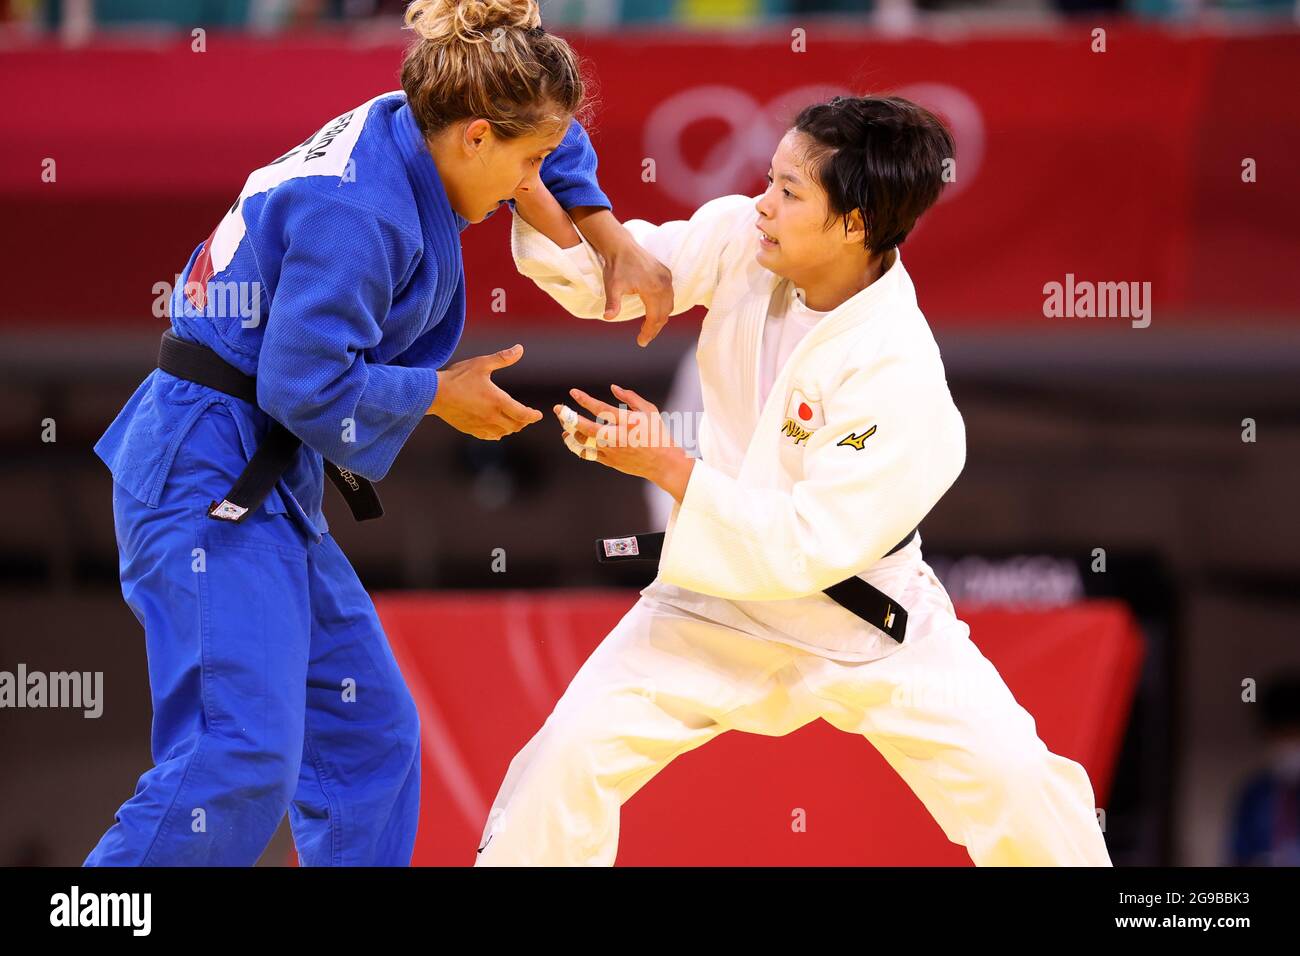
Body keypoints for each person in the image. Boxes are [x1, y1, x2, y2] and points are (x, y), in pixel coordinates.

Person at [84, 0, 670, 867]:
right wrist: (439, 394)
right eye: (528, 163)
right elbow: (300, 383)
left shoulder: (419, 124)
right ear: (476, 137)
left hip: (259, 471)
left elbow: (542, 123)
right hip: (204, 470)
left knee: (368, 740)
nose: (532, 183)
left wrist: (604, 229)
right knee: (236, 756)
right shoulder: (363, 214)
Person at [477, 94, 1113, 866]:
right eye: (769, 179)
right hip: (714, 606)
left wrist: (667, 466)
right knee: (560, 768)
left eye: (789, 192)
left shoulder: (897, 372)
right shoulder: (745, 240)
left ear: (857, 223)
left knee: (1026, 793)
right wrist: (528, 180)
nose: (762, 205)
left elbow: (808, 548)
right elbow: (612, 276)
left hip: (864, 619)